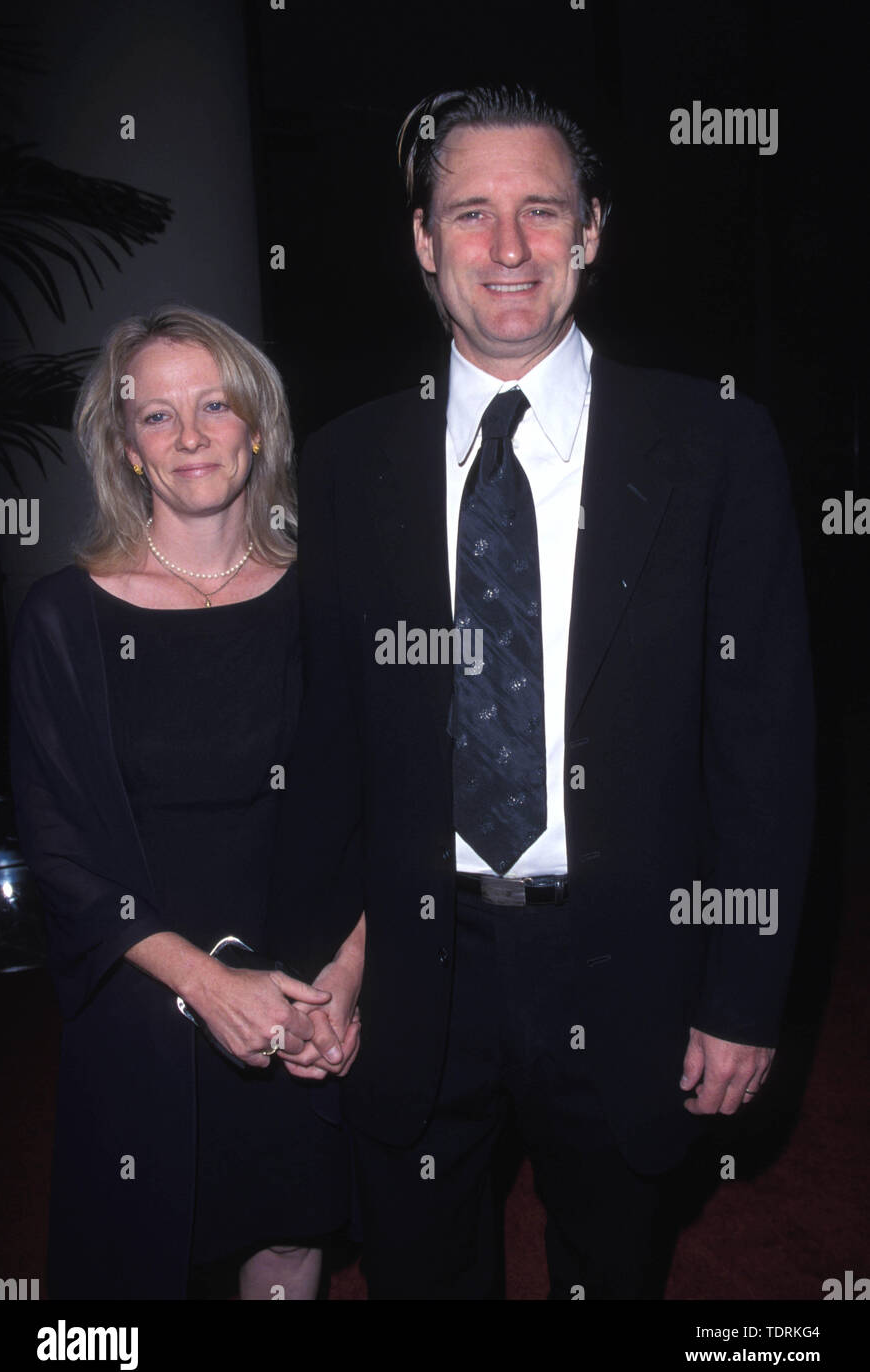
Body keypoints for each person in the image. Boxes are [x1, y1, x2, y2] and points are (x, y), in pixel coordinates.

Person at [275, 85, 815, 1300]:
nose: (507, 249)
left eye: (540, 211)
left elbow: (765, 745)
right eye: (470, 213)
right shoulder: (348, 463)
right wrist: (314, 966)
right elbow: (326, 749)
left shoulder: (714, 446)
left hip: (632, 961)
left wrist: (740, 991)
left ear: (591, 231)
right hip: (415, 970)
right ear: (423, 240)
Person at [9, 305, 360, 1300]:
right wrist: (206, 987)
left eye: (214, 404)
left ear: (258, 425)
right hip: (143, 999)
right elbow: (61, 850)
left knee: (291, 1240)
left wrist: (347, 977)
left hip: (304, 990)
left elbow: (389, 807)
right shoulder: (62, 619)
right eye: (156, 416)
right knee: (134, 1259)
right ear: (124, 450)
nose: (192, 435)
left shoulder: (327, 599)